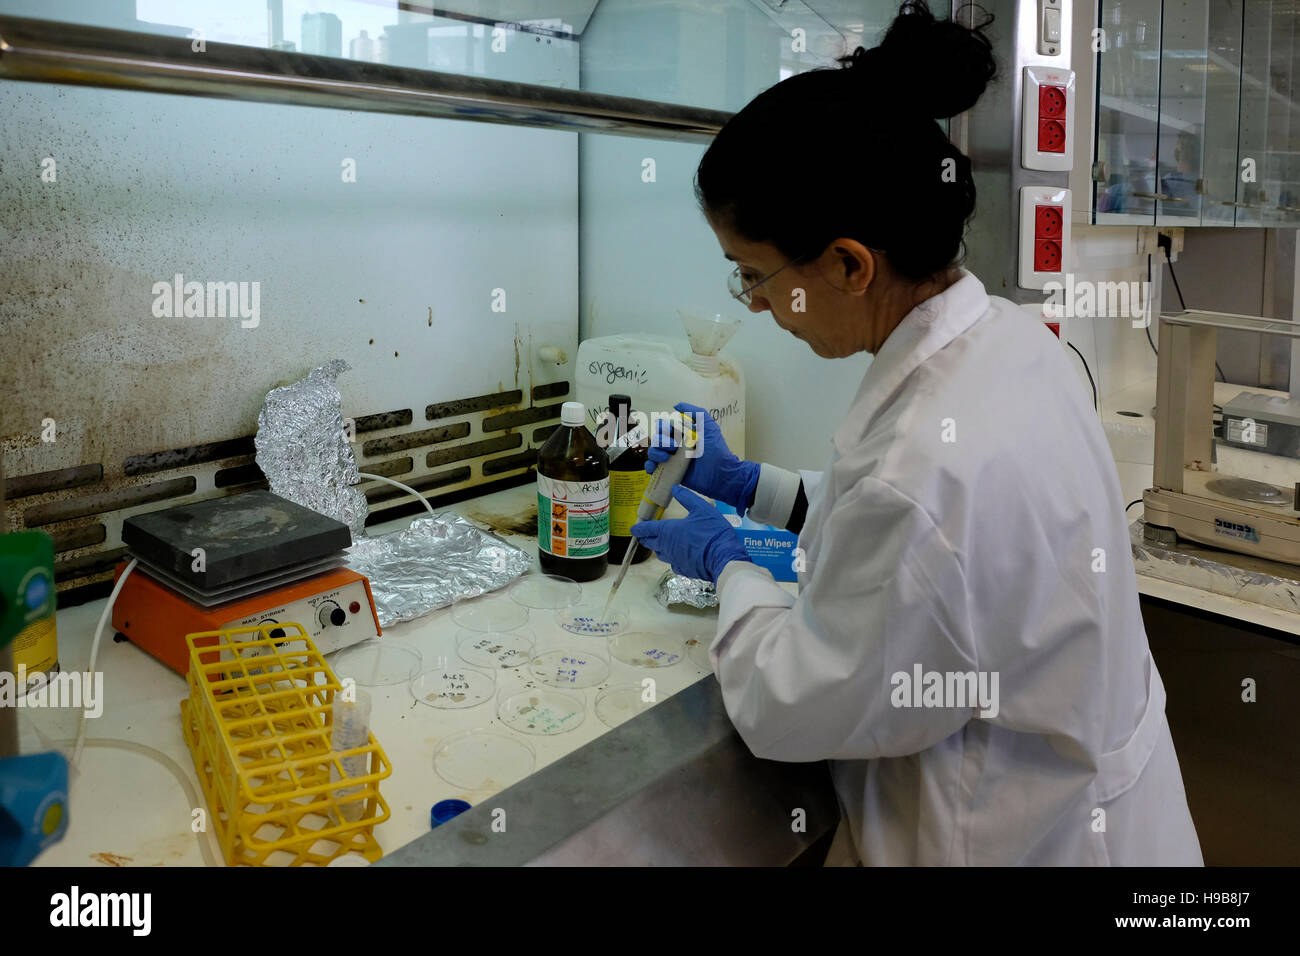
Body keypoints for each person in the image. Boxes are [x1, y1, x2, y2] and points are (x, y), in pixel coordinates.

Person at [630, 1, 1202, 866]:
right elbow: (923, 545)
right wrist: (757, 489)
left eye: (753, 276)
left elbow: (792, 704)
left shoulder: (924, 466)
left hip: (1009, 835)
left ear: (850, 263)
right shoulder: (1010, 342)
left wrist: (734, 568)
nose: (751, 304)